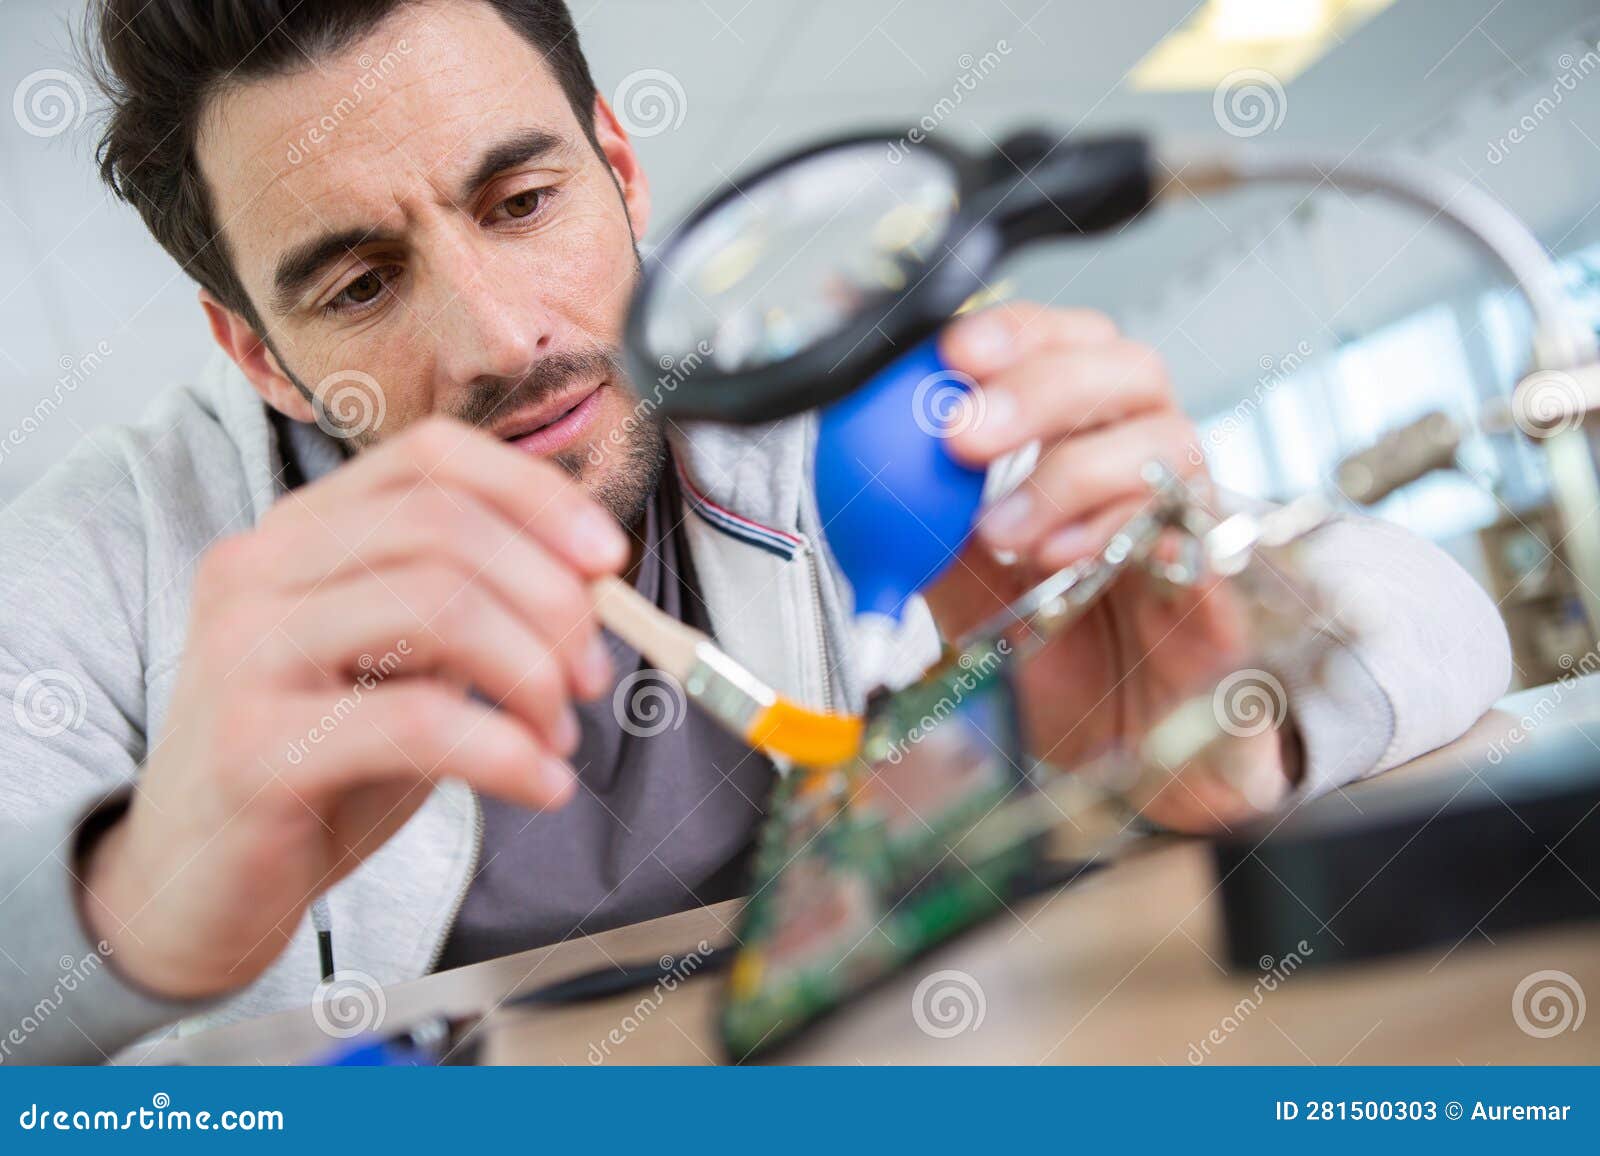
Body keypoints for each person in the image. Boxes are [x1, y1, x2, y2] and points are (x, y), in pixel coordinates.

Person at [0, 0, 1509, 1064]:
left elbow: (1439, 612)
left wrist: (1235, 710)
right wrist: (131, 898)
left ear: (621, 170)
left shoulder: (841, 395)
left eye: (522, 201)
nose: (496, 338)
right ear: (256, 349)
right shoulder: (113, 553)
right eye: (357, 286)